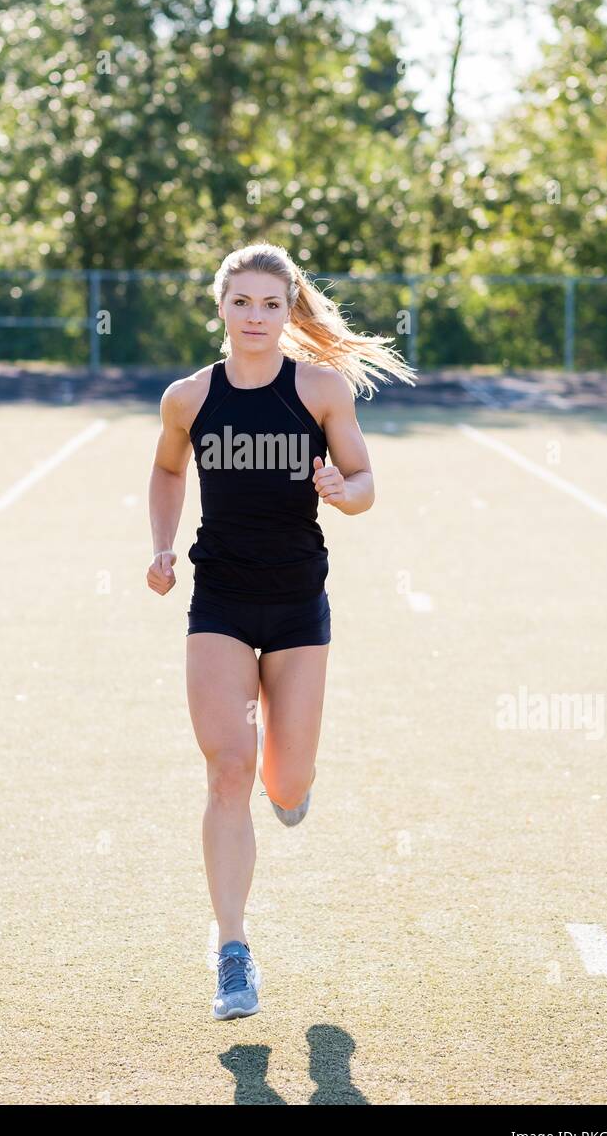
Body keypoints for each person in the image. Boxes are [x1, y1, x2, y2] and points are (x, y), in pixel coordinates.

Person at [146, 242, 416, 1020]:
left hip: (298, 607)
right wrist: (162, 545)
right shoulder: (189, 399)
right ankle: (232, 953)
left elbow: (365, 484)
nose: (255, 317)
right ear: (221, 307)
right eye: (242, 302)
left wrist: (342, 487)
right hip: (220, 603)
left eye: (271, 304)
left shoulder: (321, 390)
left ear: (289, 310)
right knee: (228, 768)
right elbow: (168, 471)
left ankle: (291, 786)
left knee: (284, 782)